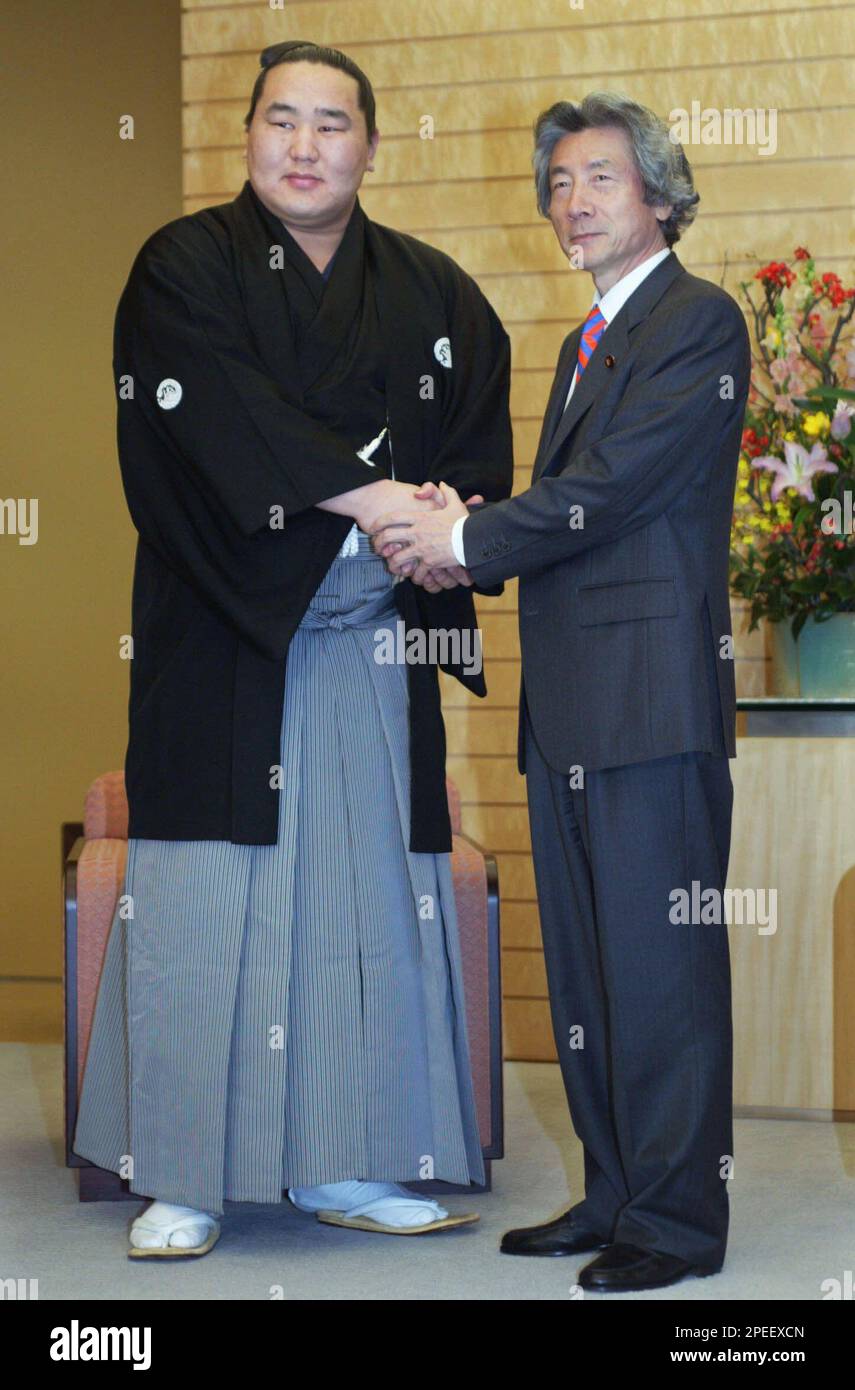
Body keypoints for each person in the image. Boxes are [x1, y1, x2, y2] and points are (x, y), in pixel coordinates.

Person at [72, 39, 513, 1257]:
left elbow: (474, 438)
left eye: (333, 124)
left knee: (363, 903)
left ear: (370, 145)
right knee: (211, 905)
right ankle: (185, 1176)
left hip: (373, 641)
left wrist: (438, 533)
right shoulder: (182, 268)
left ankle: (352, 1161)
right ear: (247, 135)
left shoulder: (432, 289)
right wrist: (374, 502)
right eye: (283, 121)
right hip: (224, 630)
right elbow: (209, 414)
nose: (306, 146)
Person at [372, 92, 750, 1292]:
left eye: (597, 180)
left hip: (650, 705)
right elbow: (584, 511)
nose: (571, 203)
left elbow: (619, 489)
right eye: (558, 185)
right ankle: (616, 1192)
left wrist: (464, 543)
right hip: (575, 708)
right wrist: (475, 525)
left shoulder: (696, 324)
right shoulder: (591, 338)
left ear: (659, 194)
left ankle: (680, 1223)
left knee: (660, 968)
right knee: (590, 967)